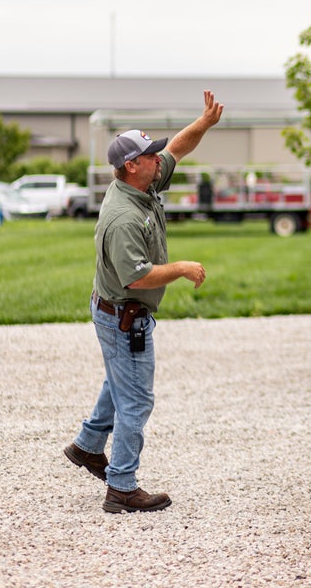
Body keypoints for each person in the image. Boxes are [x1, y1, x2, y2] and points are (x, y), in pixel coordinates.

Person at [64, 90, 224, 513]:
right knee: (136, 399)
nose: (159, 159)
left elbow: (177, 147)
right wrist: (182, 267)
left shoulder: (144, 181)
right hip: (124, 314)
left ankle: (87, 446)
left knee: (121, 383)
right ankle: (121, 485)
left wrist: (204, 123)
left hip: (116, 313)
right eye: (150, 156)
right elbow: (137, 276)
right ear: (131, 166)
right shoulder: (123, 218)